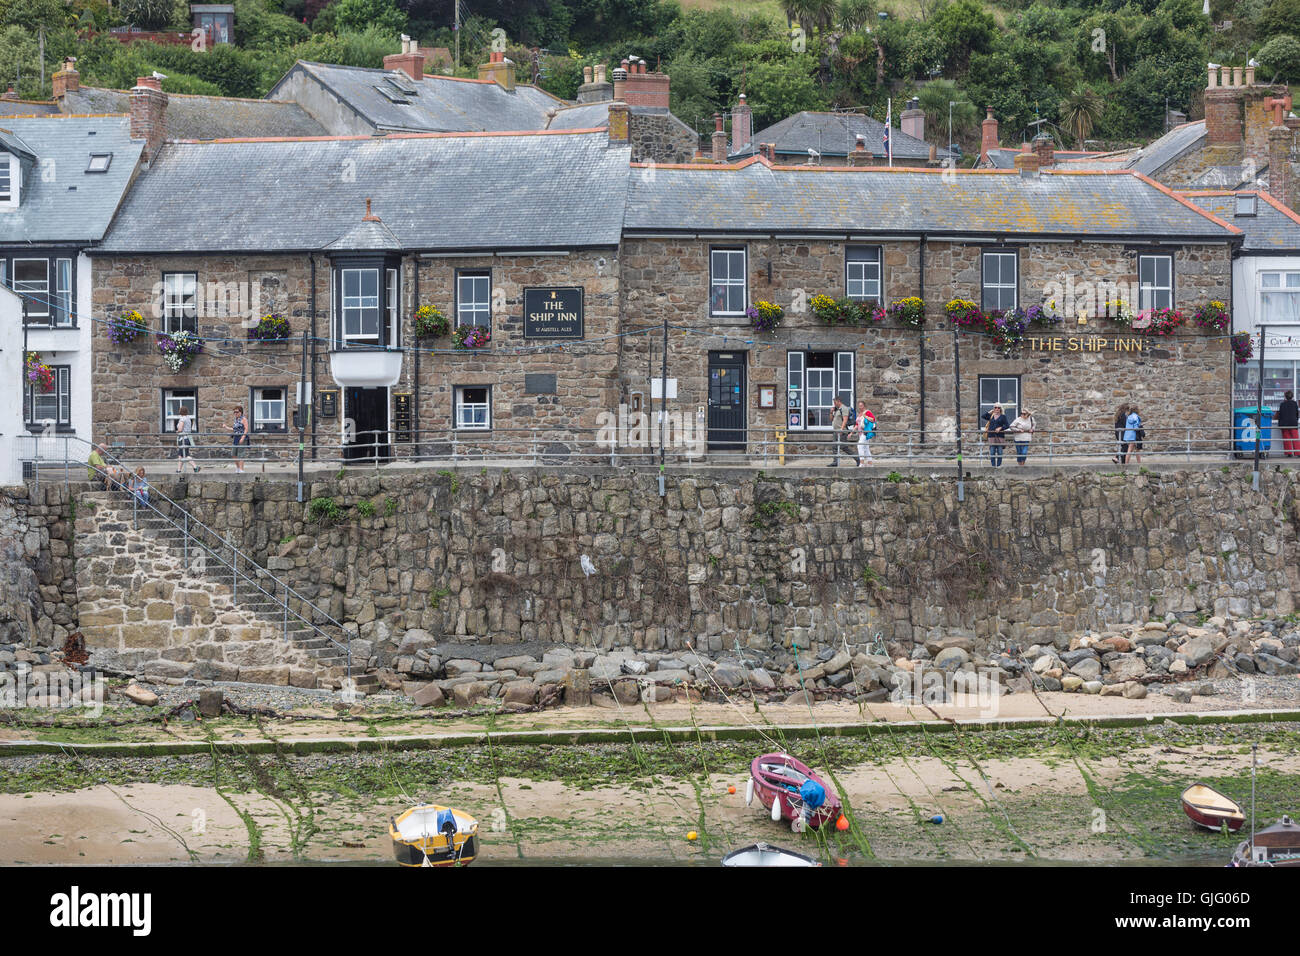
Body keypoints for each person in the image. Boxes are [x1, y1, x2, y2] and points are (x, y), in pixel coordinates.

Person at [175, 407, 200, 475]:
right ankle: (179, 470)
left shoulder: (182, 418)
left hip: (183, 439)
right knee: (181, 455)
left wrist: (177, 431)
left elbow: (180, 429)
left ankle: (195, 467)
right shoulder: (188, 418)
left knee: (185, 455)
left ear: (181, 412)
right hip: (188, 438)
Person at [829, 396, 851, 466]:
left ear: (839, 401)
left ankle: (858, 459)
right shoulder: (837, 409)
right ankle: (835, 462)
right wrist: (831, 412)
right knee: (834, 447)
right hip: (836, 431)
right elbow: (831, 419)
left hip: (842, 432)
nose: (834, 404)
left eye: (835, 402)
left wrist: (841, 429)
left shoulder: (844, 408)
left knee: (844, 448)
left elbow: (845, 419)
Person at [1278, 391, 1299, 457]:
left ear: (1285, 397)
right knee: (1295, 438)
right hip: (1293, 423)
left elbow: (1280, 415)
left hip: (1284, 423)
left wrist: (1279, 424)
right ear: (1292, 396)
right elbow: (1297, 414)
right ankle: (1298, 453)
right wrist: (1296, 420)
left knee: (1287, 438)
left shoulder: (1282, 404)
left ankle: (1289, 453)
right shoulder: (1295, 403)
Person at [854, 401, 875, 467]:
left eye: (861, 405)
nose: (860, 407)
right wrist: (851, 432)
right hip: (860, 433)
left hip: (865, 432)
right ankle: (870, 463)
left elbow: (873, 419)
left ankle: (862, 462)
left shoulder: (867, 412)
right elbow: (857, 424)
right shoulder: (859, 414)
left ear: (864, 406)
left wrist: (865, 416)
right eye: (859, 406)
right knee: (866, 448)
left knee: (859, 446)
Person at [231, 405, 250, 473]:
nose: (235, 413)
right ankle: (238, 468)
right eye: (234, 412)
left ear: (241, 412)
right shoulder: (236, 419)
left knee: (240, 454)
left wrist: (243, 437)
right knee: (233, 453)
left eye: (237, 412)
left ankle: (241, 469)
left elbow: (246, 429)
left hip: (242, 437)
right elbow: (234, 429)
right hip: (236, 437)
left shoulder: (244, 419)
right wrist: (226, 427)